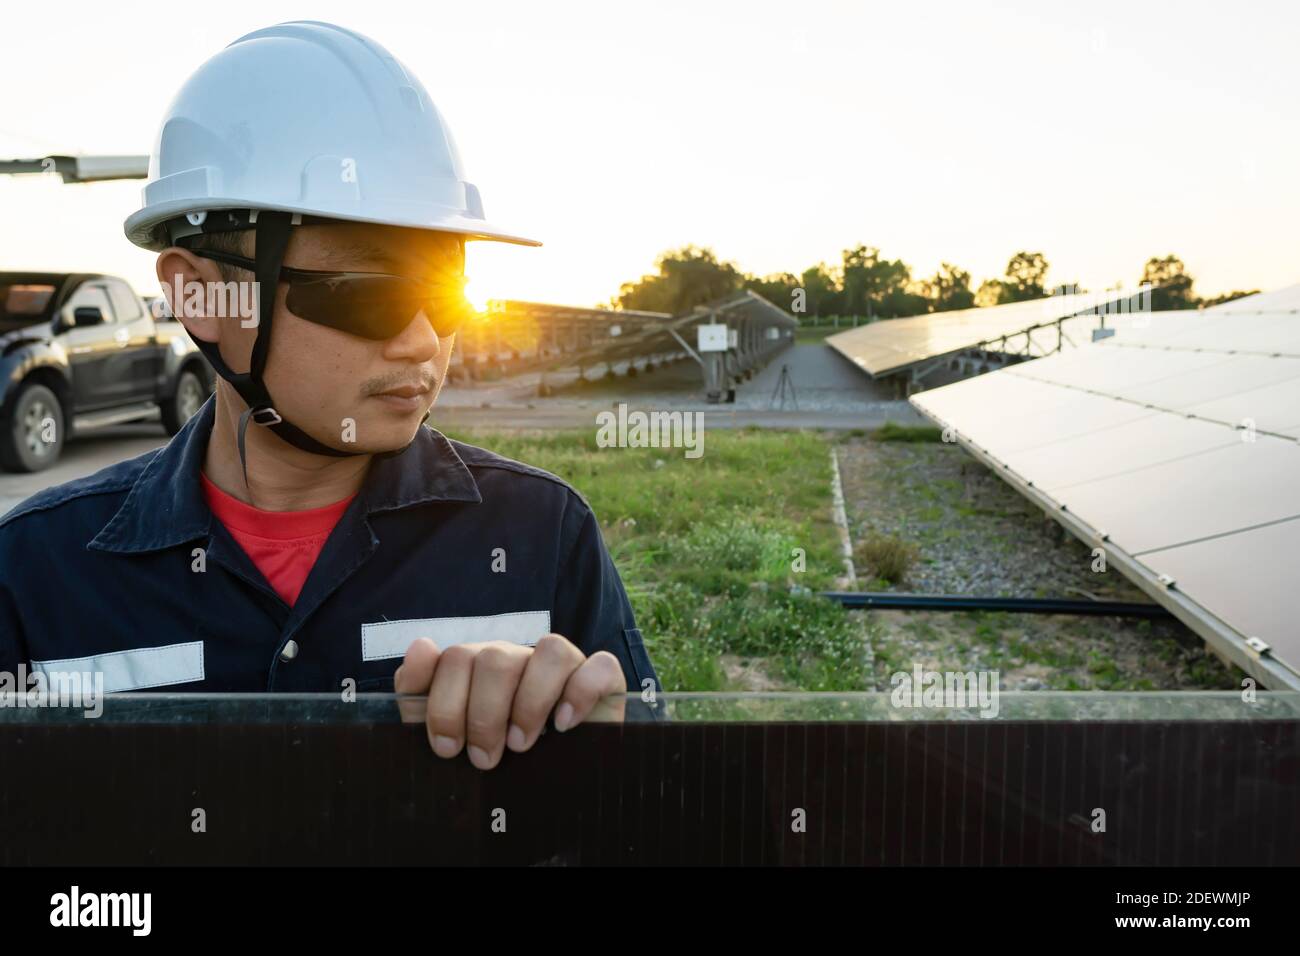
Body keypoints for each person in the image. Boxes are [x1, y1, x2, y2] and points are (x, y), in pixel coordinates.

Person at [0, 21, 662, 770]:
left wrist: (601, 762)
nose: (422, 342)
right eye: (362, 290)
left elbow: (668, 818)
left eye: (447, 294)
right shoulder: (35, 575)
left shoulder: (544, 539)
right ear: (202, 295)